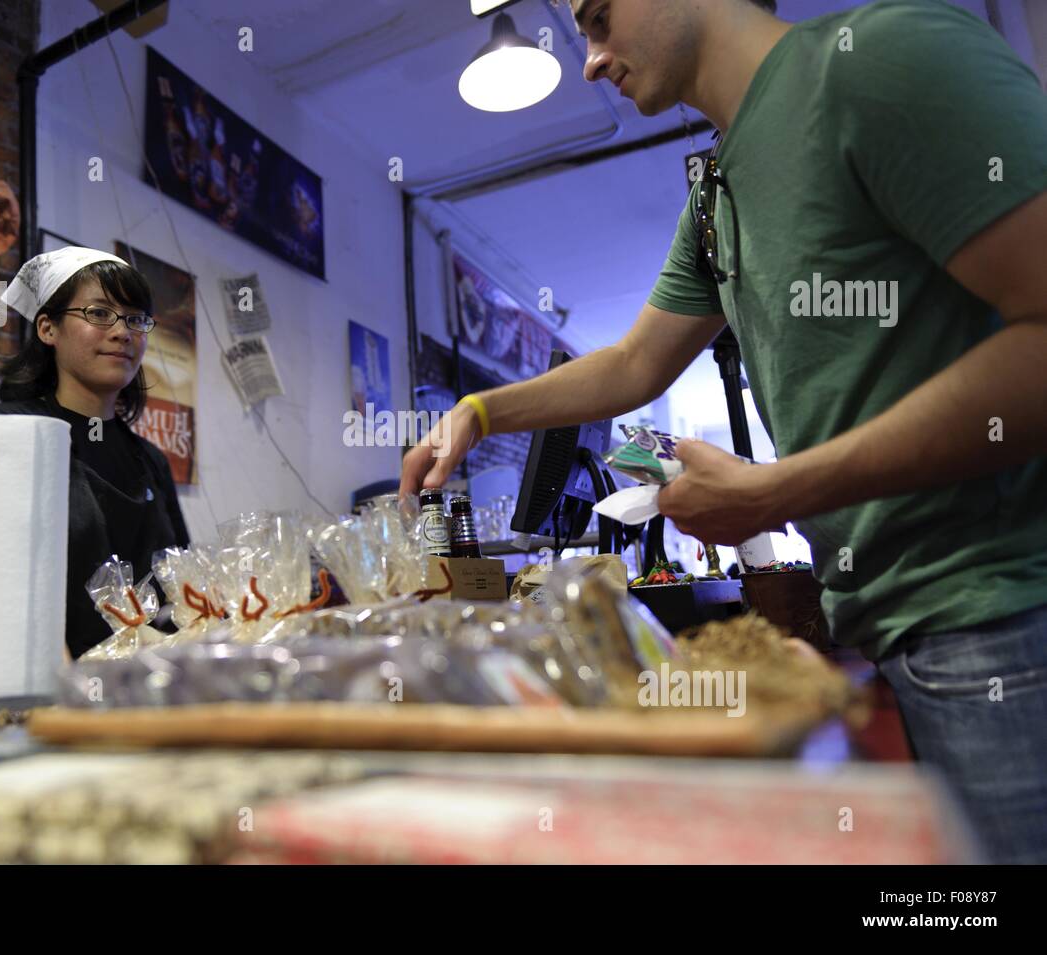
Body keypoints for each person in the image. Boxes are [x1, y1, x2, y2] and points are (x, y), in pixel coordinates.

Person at [400, 0, 1047, 863]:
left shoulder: (879, 61)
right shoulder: (715, 192)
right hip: (891, 631)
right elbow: (633, 363)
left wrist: (773, 492)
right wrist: (479, 413)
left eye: (596, 18)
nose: (588, 59)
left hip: (1008, 615)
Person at [0, 247, 189, 659]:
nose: (122, 332)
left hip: (141, 691)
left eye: (135, 319)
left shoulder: (150, 462)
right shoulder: (5, 432)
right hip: (35, 685)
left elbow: (176, 589)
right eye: (99, 313)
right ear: (48, 329)